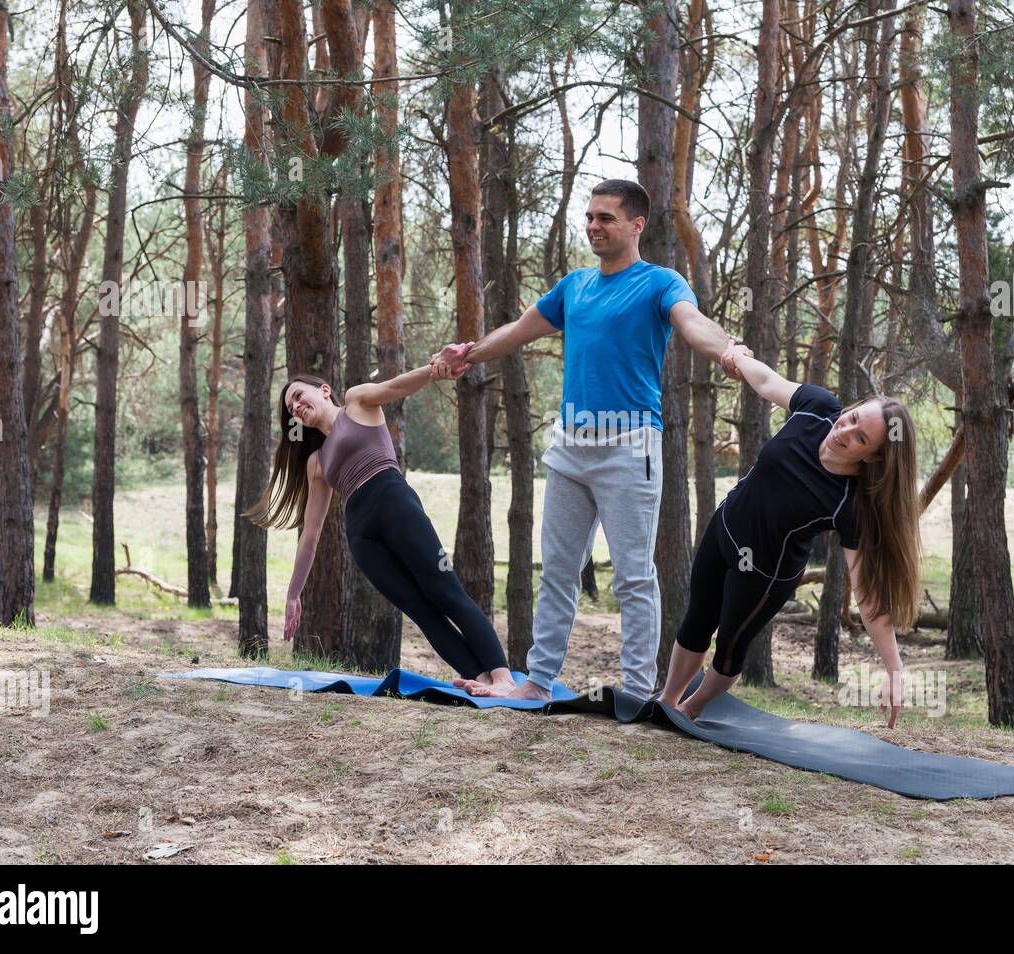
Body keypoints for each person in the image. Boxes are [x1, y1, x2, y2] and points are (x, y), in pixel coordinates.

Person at [432, 179, 753, 701]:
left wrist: (730, 352)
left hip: (629, 449)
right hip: (569, 449)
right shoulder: (574, 286)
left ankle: (636, 690)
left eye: (605, 217)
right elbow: (516, 331)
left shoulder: (659, 283)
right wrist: (467, 354)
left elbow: (693, 324)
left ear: (636, 225)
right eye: (589, 217)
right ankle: (536, 684)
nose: (594, 226)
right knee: (557, 570)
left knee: (632, 577)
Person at [658, 351, 921, 727]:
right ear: (852, 407)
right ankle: (667, 700)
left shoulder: (849, 503)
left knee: (729, 649)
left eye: (860, 438)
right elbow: (767, 382)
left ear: (873, 458)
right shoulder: (817, 407)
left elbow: (865, 591)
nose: (844, 431)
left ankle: (691, 708)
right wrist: (734, 356)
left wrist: (894, 668)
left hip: (763, 574)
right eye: (852, 418)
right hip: (725, 528)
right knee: (696, 621)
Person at [242, 366, 516, 694]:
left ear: (325, 390)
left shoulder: (358, 402)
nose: (296, 407)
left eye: (299, 396)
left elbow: (398, 386)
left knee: (444, 591)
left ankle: (503, 679)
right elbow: (311, 534)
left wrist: (435, 369)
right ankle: (481, 678)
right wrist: (293, 594)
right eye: (291, 409)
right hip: (361, 534)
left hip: (394, 502)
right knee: (420, 610)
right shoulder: (316, 461)